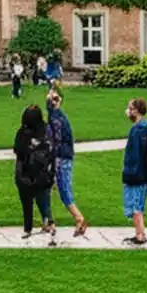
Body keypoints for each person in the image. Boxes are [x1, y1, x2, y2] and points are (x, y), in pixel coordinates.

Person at [46, 91, 88, 236]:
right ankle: (48, 221)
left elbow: (55, 140)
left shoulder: (57, 118)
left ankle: (79, 218)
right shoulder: (58, 116)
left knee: (64, 190)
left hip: (61, 158)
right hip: (63, 156)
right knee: (54, 189)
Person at [13, 105, 56, 239]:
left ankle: (28, 227)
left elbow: (18, 151)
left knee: (27, 201)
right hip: (41, 174)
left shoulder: (22, 133)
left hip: (25, 173)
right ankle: (48, 221)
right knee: (43, 198)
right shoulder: (46, 131)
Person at [121, 98, 147, 246]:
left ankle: (140, 235)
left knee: (135, 206)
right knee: (139, 204)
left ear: (136, 111)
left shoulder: (136, 130)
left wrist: (129, 174)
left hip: (136, 175)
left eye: (130, 108)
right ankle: (140, 233)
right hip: (144, 174)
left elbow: (133, 156)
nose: (128, 111)